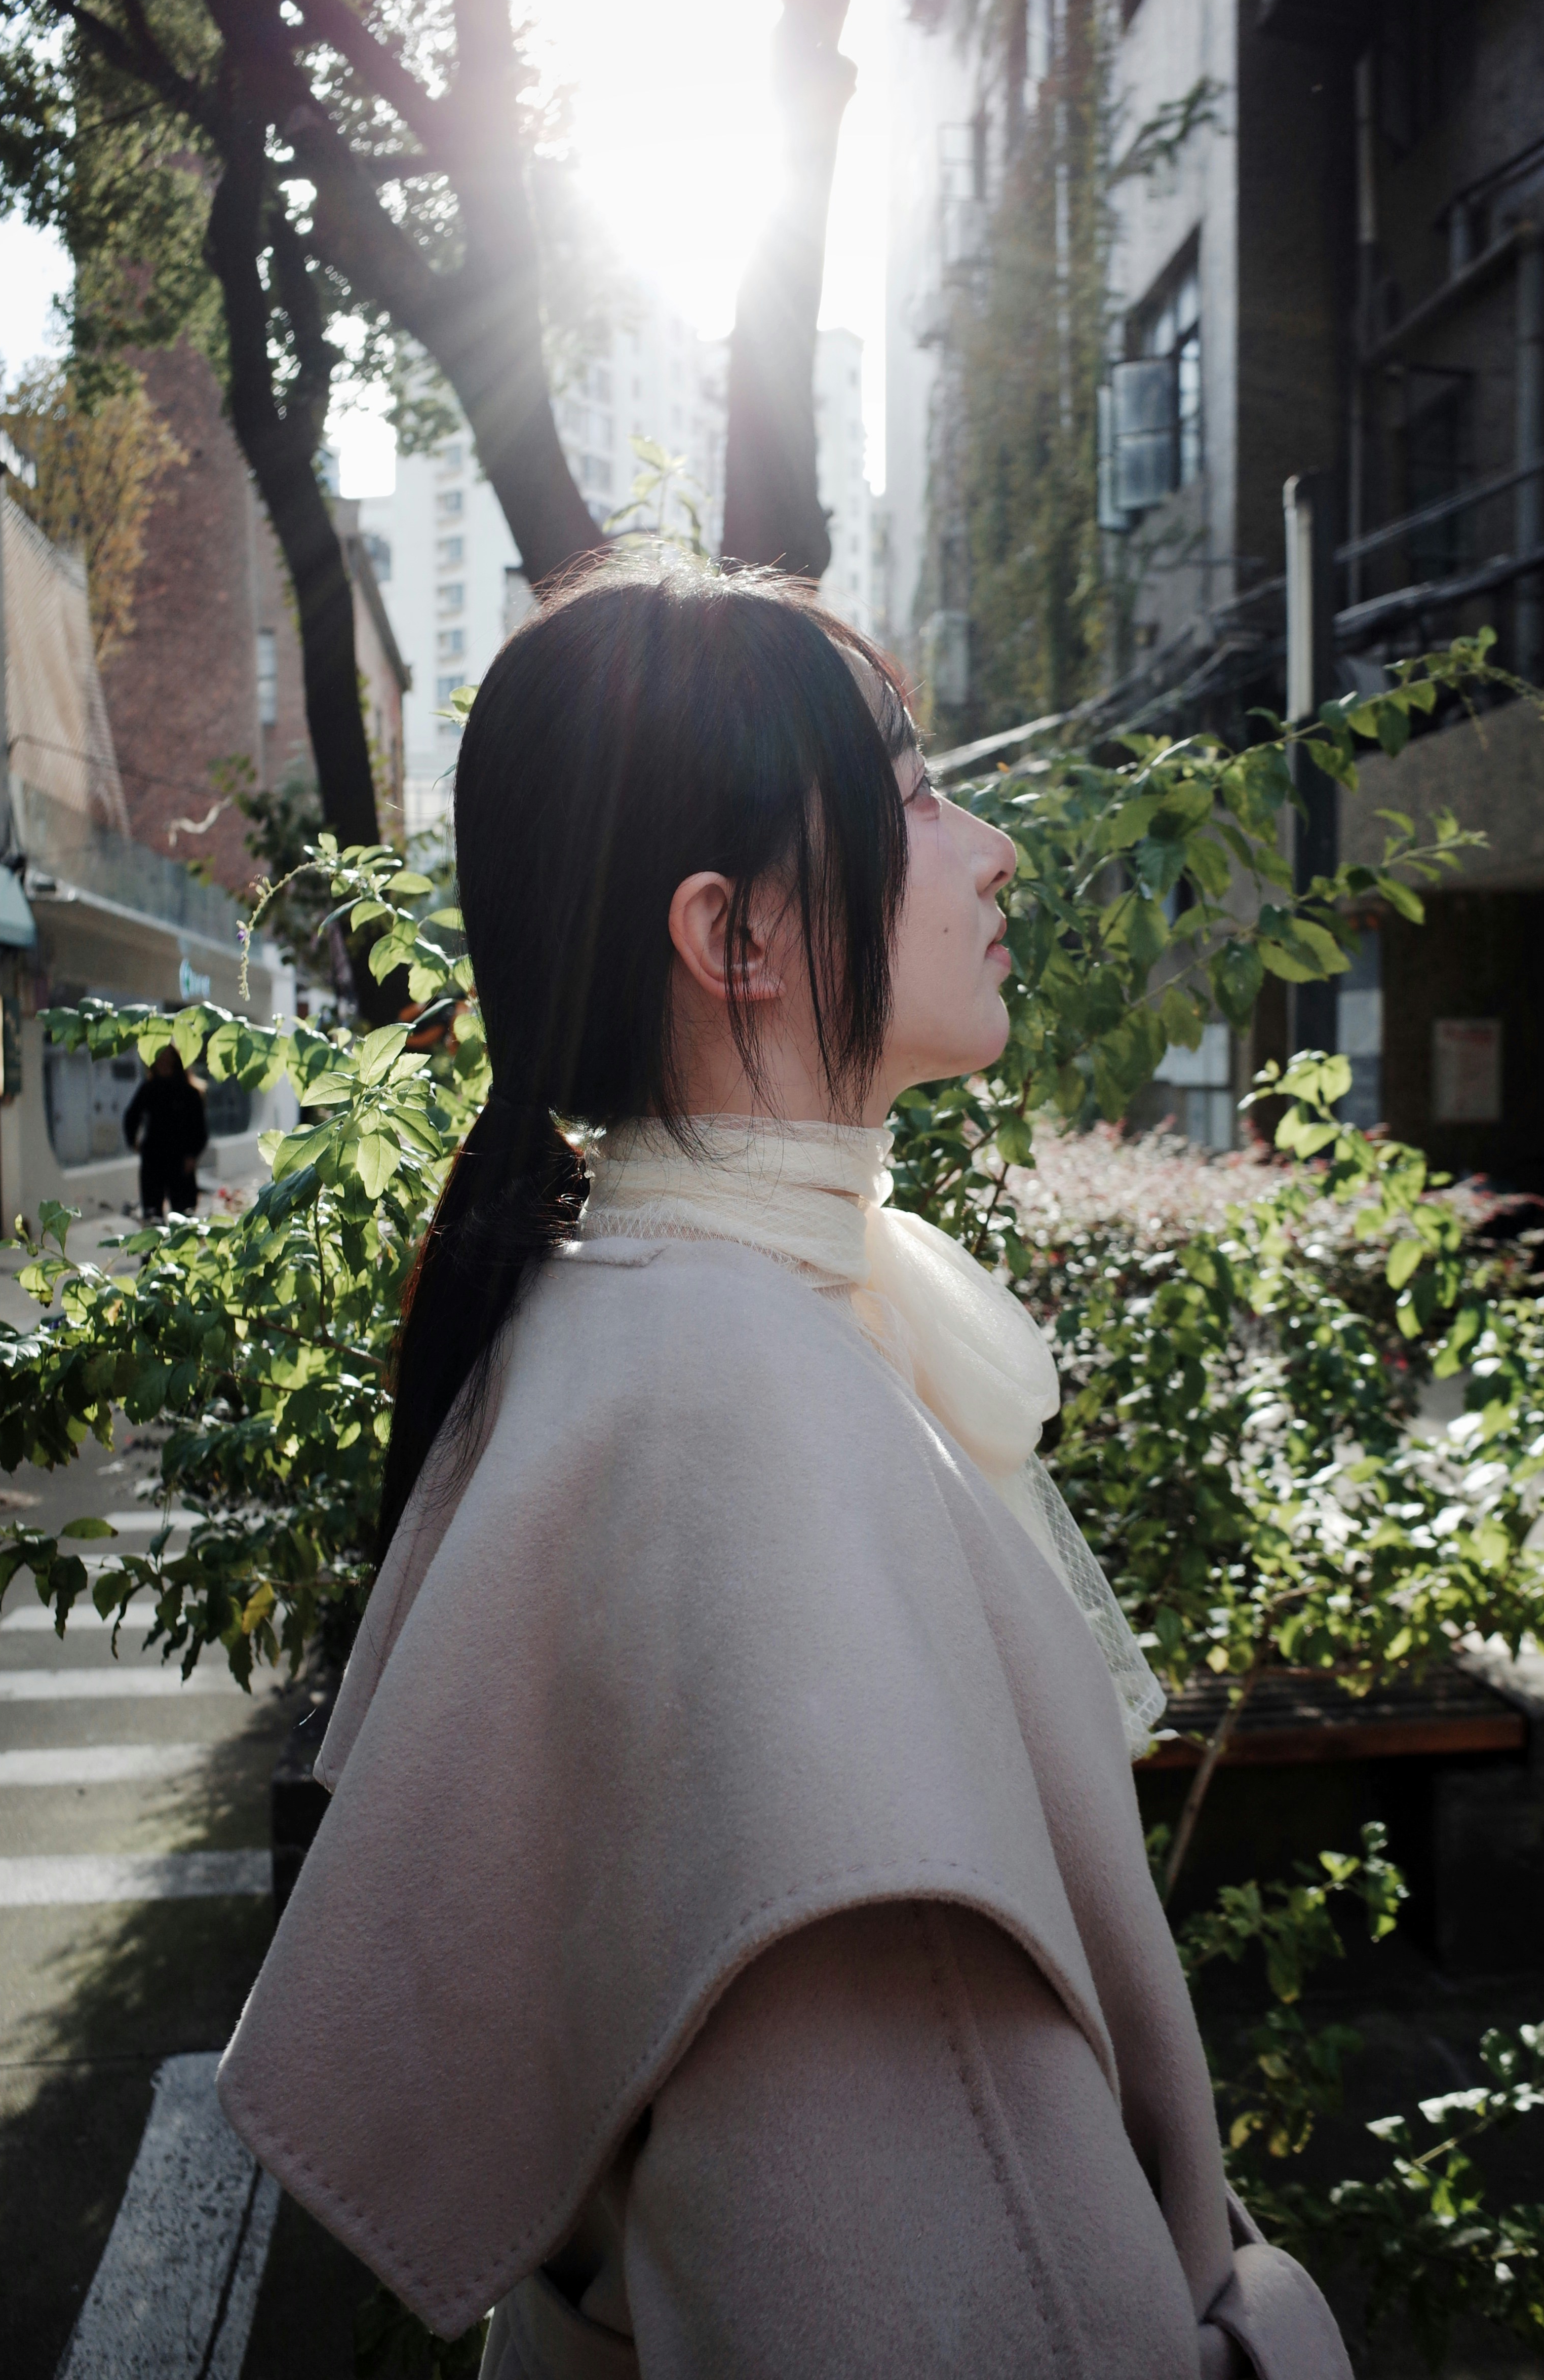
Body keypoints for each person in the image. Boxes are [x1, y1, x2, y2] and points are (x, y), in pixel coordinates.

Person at [218, 559, 1353, 2379]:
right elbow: (957, 2292)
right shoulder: (741, 1434)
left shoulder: (670, 1321)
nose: (993, 850)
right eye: (914, 795)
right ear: (732, 936)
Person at [122, 1043, 208, 1218]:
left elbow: (200, 1128)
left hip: (181, 1157)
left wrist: (192, 1155)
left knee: (184, 1213)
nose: (164, 1062)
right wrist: (134, 1142)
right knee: (153, 1213)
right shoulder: (149, 1088)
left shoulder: (189, 1092)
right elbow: (131, 1116)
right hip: (154, 1157)